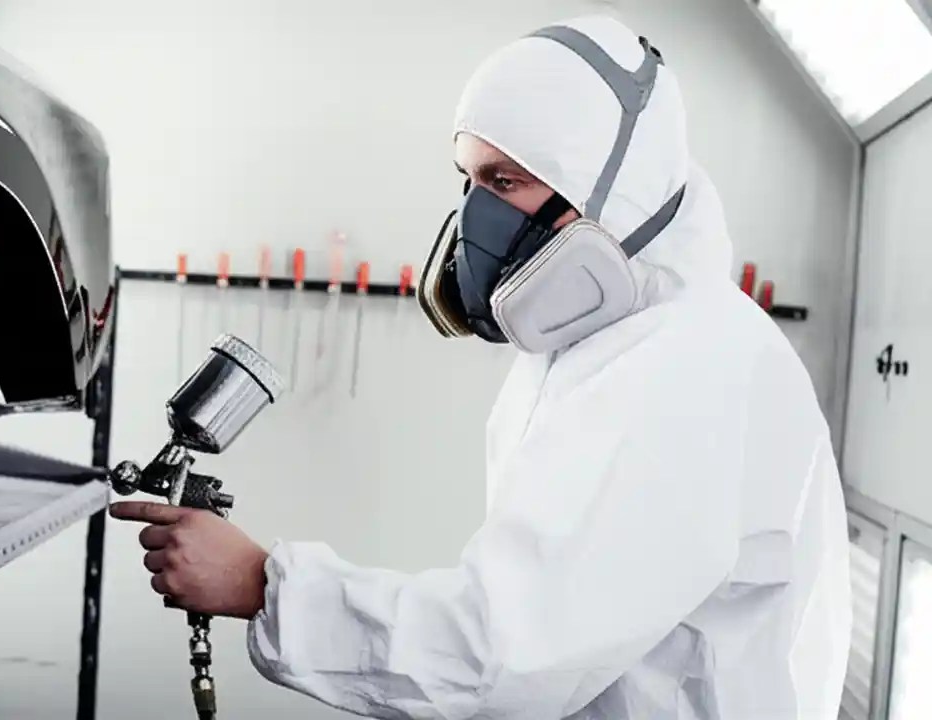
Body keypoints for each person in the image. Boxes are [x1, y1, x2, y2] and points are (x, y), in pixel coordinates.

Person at [111, 15, 852, 719]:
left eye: (503, 182)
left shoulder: (689, 369)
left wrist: (262, 585)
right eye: (468, 180)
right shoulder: (603, 342)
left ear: (605, 192)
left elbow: (505, 651)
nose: (474, 219)